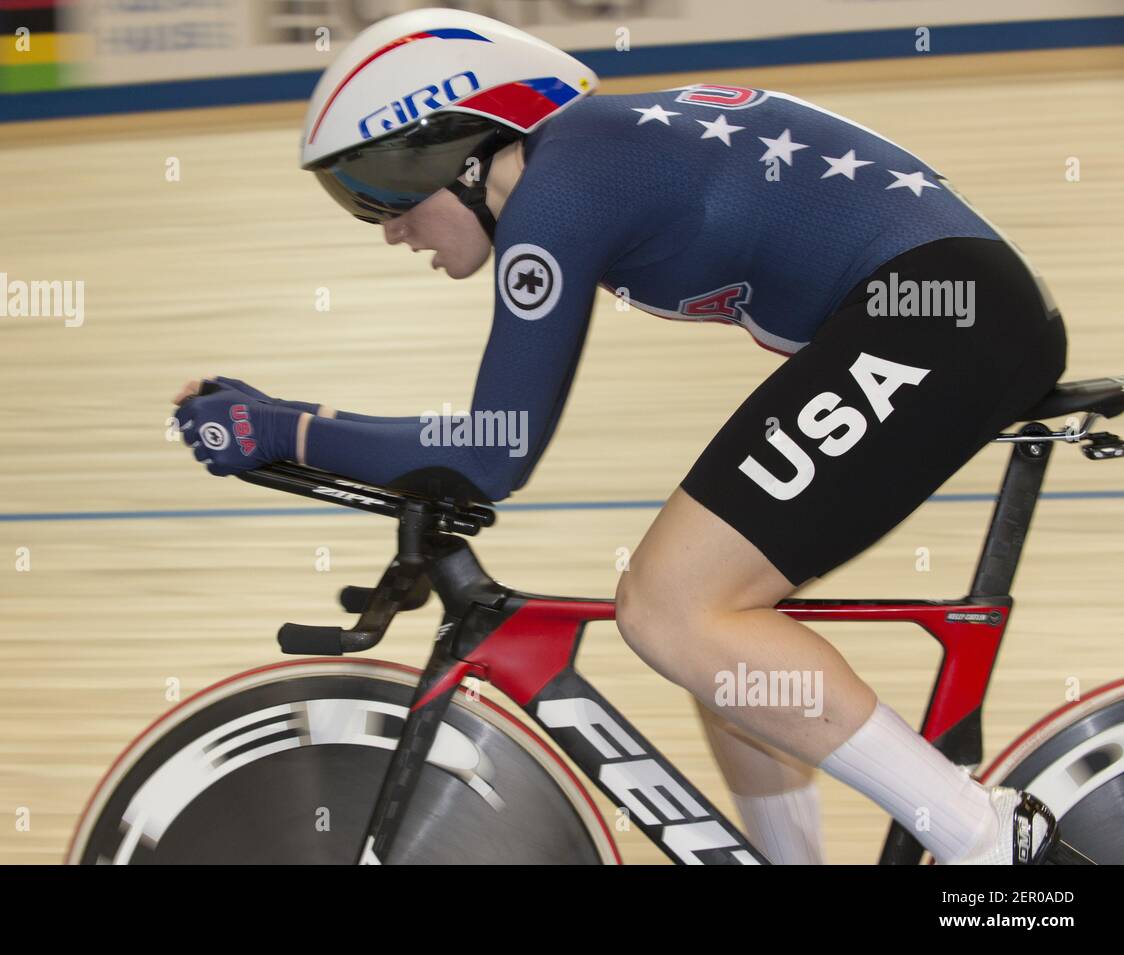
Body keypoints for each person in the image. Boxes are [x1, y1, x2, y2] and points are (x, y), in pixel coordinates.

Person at [173, 8, 1070, 864]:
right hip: (950, 309)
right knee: (724, 655)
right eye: (355, 201)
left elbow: (492, 450)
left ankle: (986, 838)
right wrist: (288, 427)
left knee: (670, 607)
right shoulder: (584, 158)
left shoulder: (562, 193)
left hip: (940, 315)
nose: (389, 228)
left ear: (461, 150)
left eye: (380, 190)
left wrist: (277, 426)